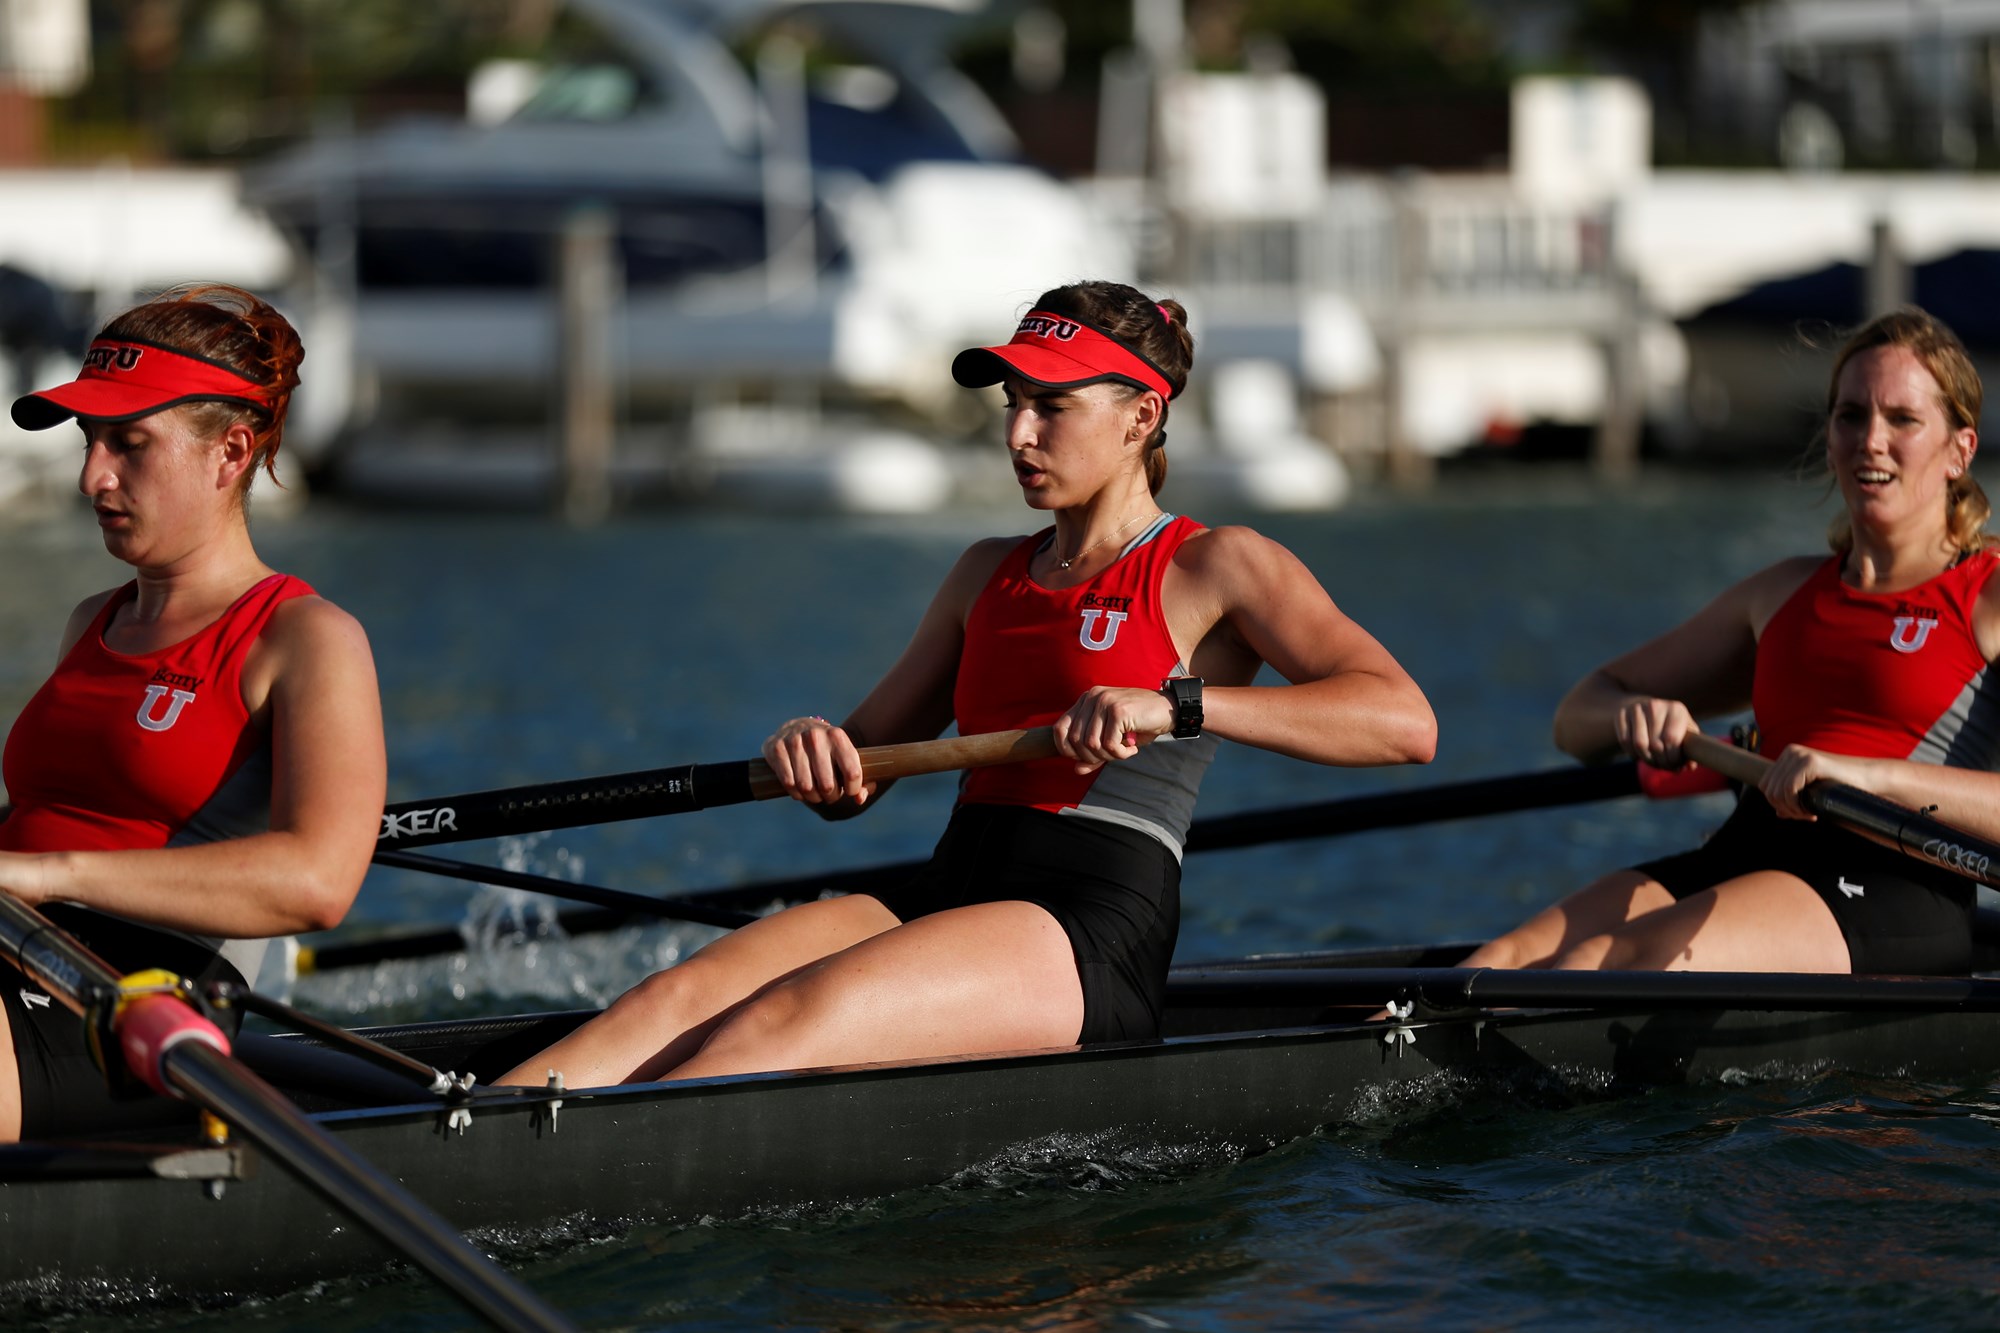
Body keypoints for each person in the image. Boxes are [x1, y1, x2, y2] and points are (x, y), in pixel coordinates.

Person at [503, 280, 1436, 1090]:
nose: (1020, 433)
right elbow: (857, 780)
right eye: (1013, 405)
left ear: (1140, 416)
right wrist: (818, 749)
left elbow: (1402, 721)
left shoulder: (1217, 565)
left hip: (1082, 926)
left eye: (1053, 407)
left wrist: (1178, 704)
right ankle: (461, 1144)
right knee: (671, 1001)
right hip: (947, 889)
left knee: (773, 1028)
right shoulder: (984, 571)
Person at [1463, 306, 1999, 977]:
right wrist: (1634, 715)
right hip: (1746, 852)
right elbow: (1577, 720)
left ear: (1960, 450)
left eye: (1903, 419)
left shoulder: (1987, 595)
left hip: (1891, 886)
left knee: (1604, 961)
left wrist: (1864, 774)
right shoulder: (1779, 594)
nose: (1871, 440)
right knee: (1497, 965)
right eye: (1851, 415)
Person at [0, 284, 385, 1139]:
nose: (92, 475)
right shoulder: (92, 620)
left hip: (136, 1015)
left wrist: (45, 872)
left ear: (231, 452)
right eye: (89, 440)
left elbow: (317, 884)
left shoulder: (308, 639)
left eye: (129, 443)